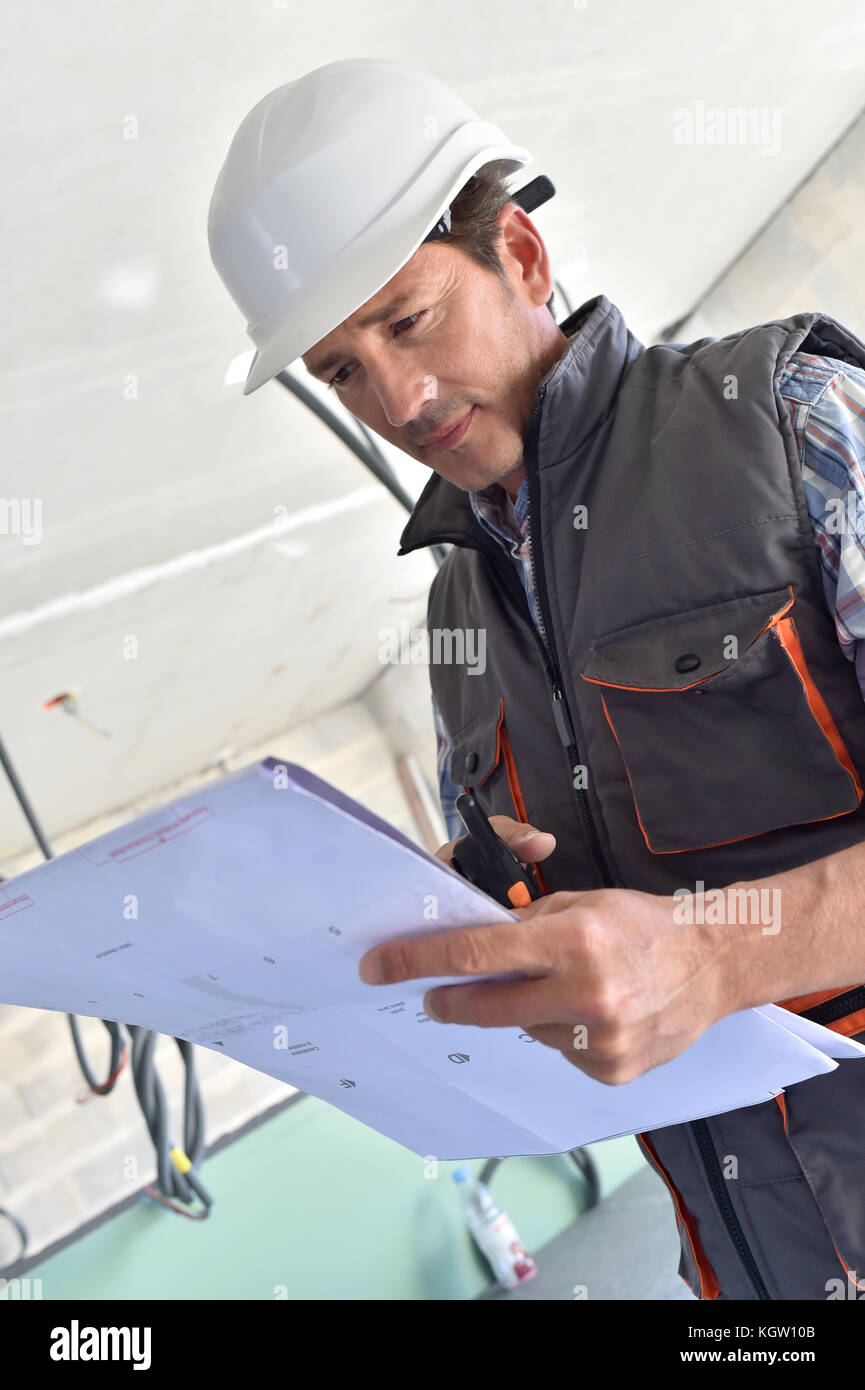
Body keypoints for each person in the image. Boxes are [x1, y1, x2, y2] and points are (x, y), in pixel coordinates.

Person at [209, 57, 865, 1300]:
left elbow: (695, 950)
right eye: (341, 370)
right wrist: (485, 903)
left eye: (406, 320)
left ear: (516, 251)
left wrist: (719, 958)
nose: (395, 399)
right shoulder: (458, 612)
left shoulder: (788, 424)